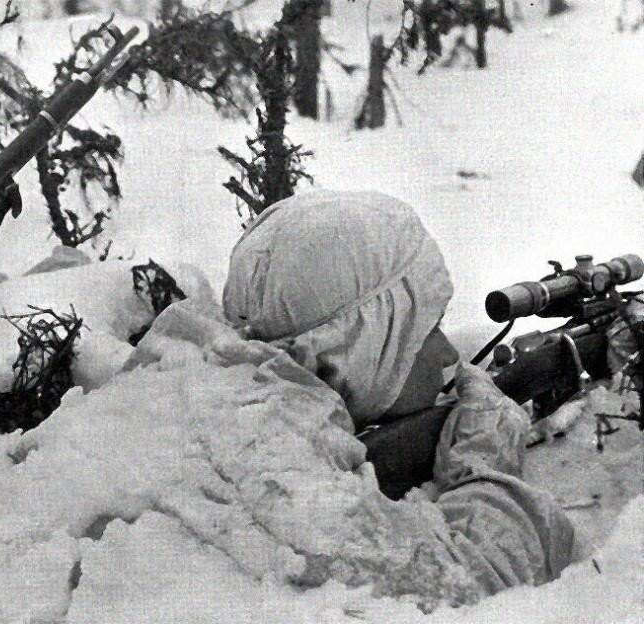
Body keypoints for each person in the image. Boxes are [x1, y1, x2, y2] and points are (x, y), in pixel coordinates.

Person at [222, 190, 575, 595]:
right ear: (357, 350)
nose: (446, 353)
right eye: (423, 331)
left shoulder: (214, 378)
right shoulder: (278, 471)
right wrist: (487, 466)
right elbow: (460, 592)